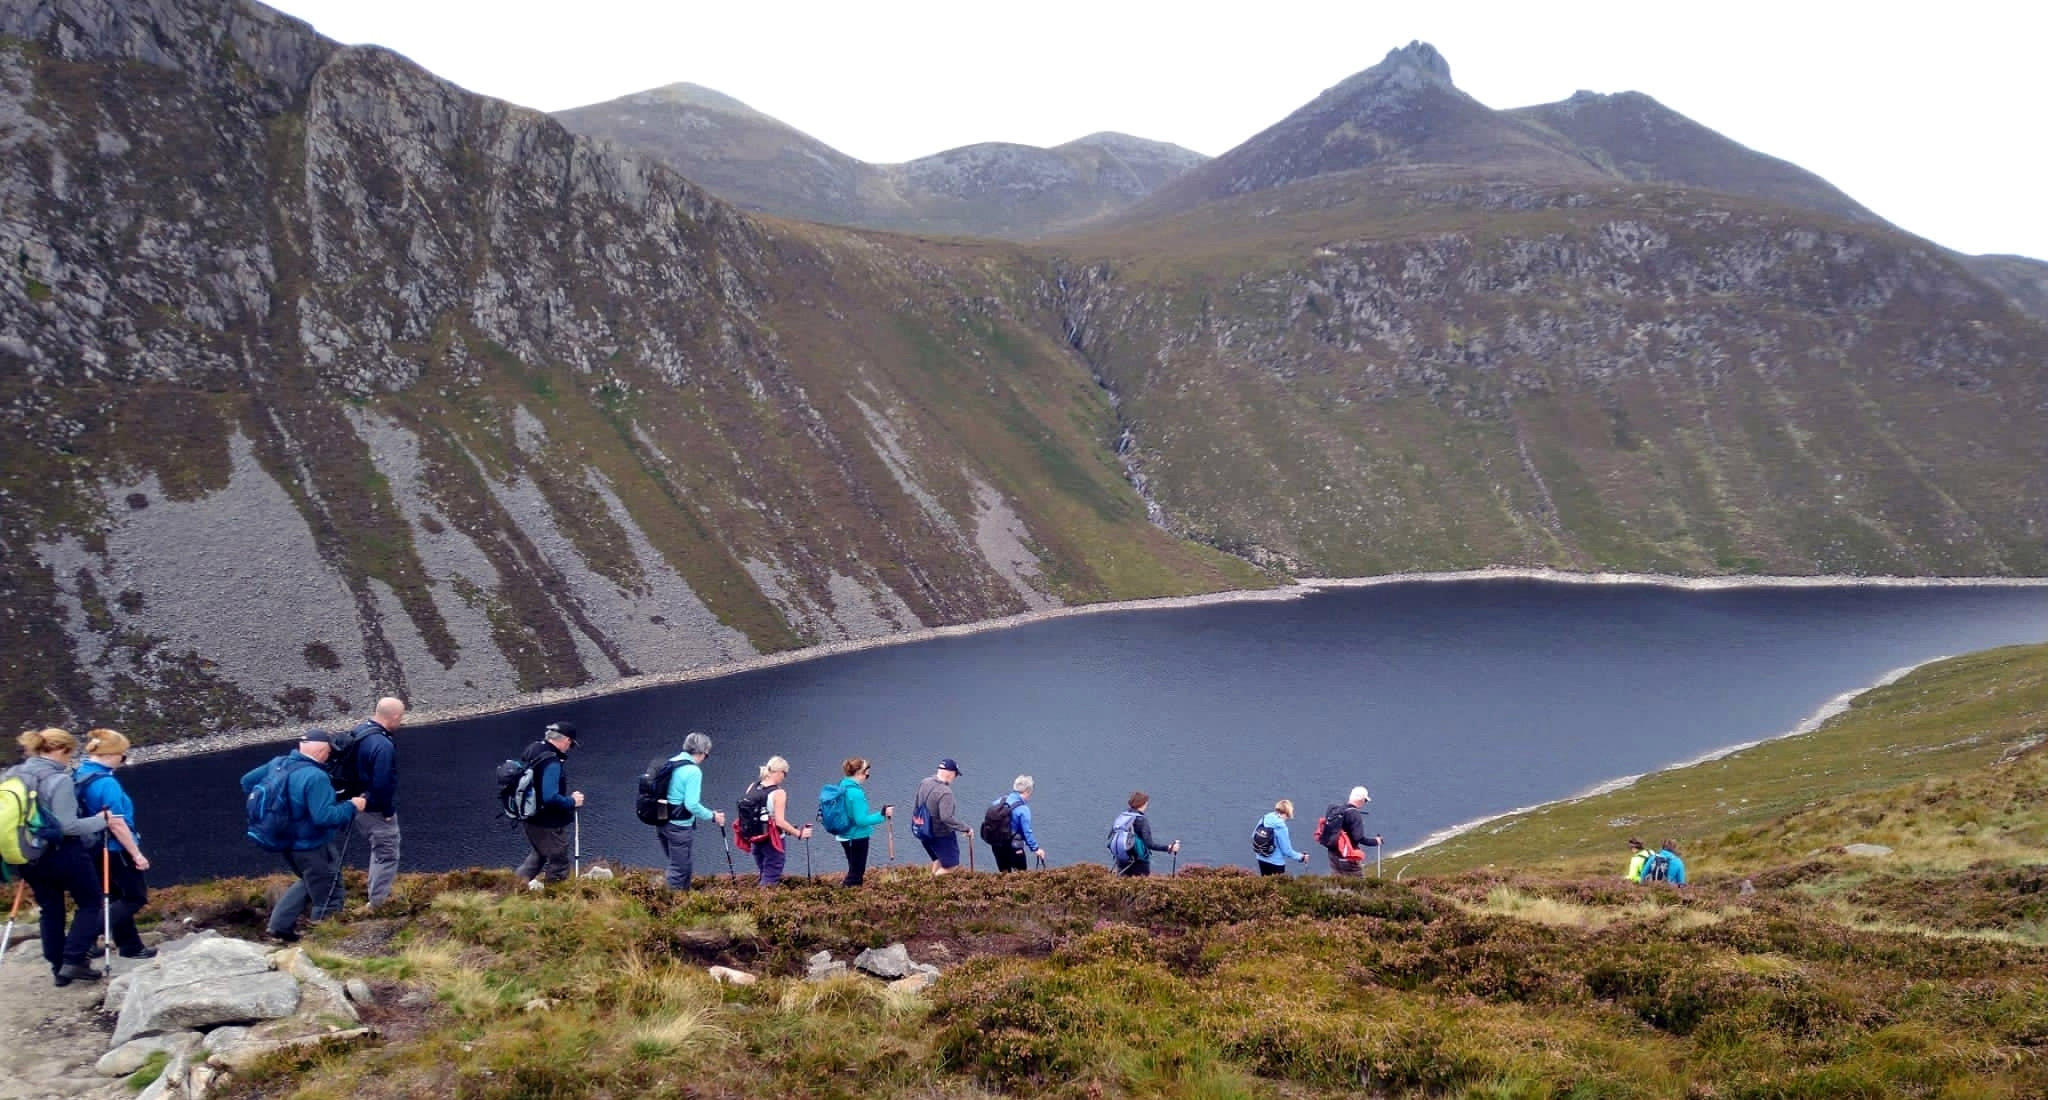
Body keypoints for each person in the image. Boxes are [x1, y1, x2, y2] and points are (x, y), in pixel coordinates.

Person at [239, 730, 366, 943]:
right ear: (320, 750)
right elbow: (325, 817)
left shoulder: (278, 763)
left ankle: (279, 927)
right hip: (312, 846)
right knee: (329, 894)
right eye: (328, 752)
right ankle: (323, 943)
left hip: (286, 842)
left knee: (309, 881)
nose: (329, 756)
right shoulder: (315, 776)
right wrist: (353, 806)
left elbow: (246, 782)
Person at [9, 728, 114, 985]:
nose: (70, 760)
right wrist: (101, 821)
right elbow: (67, 826)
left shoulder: (12, 775)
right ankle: (74, 959)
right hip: (63, 852)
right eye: (70, 754)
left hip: (28, 855)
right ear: (61, 750)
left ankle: (58, 969)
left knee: (51, 909)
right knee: (90, 902)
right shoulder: (59, 780)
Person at [74, 729, 155, 960]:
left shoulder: (81, 774)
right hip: (115, 849)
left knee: (116, 897)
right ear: (110, 754)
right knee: (135, 896)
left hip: (92, 847)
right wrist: (136, 854)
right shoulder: (107, 783)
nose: (124, 759)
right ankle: (84, 937)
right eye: (122, 754)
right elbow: (117, 823)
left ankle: (130, 946)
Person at [332, 697, 404, 909]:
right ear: (395, 717)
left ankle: (375, 896)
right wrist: (387, 810)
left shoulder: (360, 731)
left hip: (355, 802)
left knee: (379, 849)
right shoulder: (382, 745)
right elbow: (382, 783)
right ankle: (377, 904)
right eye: (400, 718)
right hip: (373, 807)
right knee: (387, 852)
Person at [514, 722, 584, 888]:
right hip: (546, 822)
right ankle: (555, 897)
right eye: (571, 744)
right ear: (566, 740)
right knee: (559, 860)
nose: (570, 748)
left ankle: (512, 887)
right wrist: (572, 801)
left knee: (539, 854)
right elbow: (550, 797)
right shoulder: (551, 761)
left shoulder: (535, 749)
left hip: (529, 815)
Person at [656, 731, 724, 891]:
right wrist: (713, 816)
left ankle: (684, 903)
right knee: (679, 870)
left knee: (684, 865)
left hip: (662, 822)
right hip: (679, 827)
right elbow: (691, 805)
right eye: (706, 755)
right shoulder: (693, 771)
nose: (704, 759)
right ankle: (668, 908)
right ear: (701, 752)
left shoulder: (671, 762)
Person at [736, 756, 811, 886]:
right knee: (770, 879)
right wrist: (799, 833)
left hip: (755, 839)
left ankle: (755, 901)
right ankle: (761, 904)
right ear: (779, 772)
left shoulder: (753, 786)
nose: (784, 777)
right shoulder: (779, 793)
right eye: (785, 774)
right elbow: (779, 822)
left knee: (764, 873)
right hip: (773, 841)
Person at [826, 758, 892, 886]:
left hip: (844, 836)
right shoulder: (856, 793)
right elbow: (861, 820)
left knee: (854, 869)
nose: (867, 776)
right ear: (859, 773)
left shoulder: (841, 786)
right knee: (856, 873)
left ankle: (851, 897)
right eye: (867, 772)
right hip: (856, 836)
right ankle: (846, 899)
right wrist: (882, 815)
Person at [912, 758, 969, 874]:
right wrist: (965, 828)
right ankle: (932, 885)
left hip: (923, 830)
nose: (955, 778)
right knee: (951, 866)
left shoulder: (925, 782)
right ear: (951, 773)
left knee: (937, 859)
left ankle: (930, 882)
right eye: (956, 775)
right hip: (941, 835)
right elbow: (946, 818)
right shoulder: (945, 792)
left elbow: (916, 804)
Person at [1108, 791, 1179, 877]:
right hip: (1139, 861)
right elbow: (1149, 844)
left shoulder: (1122, 816)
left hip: (1122, 859)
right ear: (1143, 804)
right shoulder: (1142, 820)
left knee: (1122, 887)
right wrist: (1169, 848)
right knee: (1140, 888)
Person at [986, 775, 1046, 873]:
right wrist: (1036, 849)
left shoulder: (997, 802)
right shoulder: (1023, 809)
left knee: (1004, 876)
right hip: (1014, 848)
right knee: (1021, 878)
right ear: (1027, 791)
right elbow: (1026, 832)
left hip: (997, 846)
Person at [1321, 786, 1381, 877]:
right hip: (1348, 855)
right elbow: (1358, 837)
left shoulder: (1336, 810)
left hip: (1332, 854)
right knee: (1358, 884)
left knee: (1337, 881)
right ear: (1361, 800)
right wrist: (1375, 841)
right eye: (1365, 800)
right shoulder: (1354, 814)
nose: (1364, 803)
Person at [1254, 799, 1311, 876]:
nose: (1288, 818)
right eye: (1288, 815)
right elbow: (1287, 851)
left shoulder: (1265, 818)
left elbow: (1253, 836)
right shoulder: (1281, 827)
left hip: (1261, 858)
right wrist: (1301, 857)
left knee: (1266, 885)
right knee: (1278, 887)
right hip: (1276, 863)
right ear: (1287, 813)